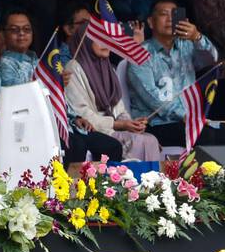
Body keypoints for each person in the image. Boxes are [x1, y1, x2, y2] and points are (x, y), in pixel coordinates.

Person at [125, 0, 223, 147]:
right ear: (151, 22)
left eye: (174, 14)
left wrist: (197, 37)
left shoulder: (187, 45)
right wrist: (185, 116)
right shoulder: (140, 54)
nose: (170, 19)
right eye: (164, 14)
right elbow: (153, 97)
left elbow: (212, 59)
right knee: (208, 137)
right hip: (157, 125)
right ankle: (207, 171)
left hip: (189, 122)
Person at [64, 25, 156, 162]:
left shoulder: (109, 69)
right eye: (98, 39)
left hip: (113, 127)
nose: (105, 43)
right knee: (141, 142)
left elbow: (119, 108)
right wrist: (121, 125)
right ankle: (132, 182)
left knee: (150, 139)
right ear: (86, 42)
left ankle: (153, 182)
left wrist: (131, 123)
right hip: (96, 129)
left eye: (107, 38)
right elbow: (82, 114)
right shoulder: (73, 68)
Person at [0, 10, 36, 87]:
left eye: (26, 29)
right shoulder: (5, 64)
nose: (21, 33)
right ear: (3, 34)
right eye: (14, 30)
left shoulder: (37, 60)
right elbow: (17, 93)